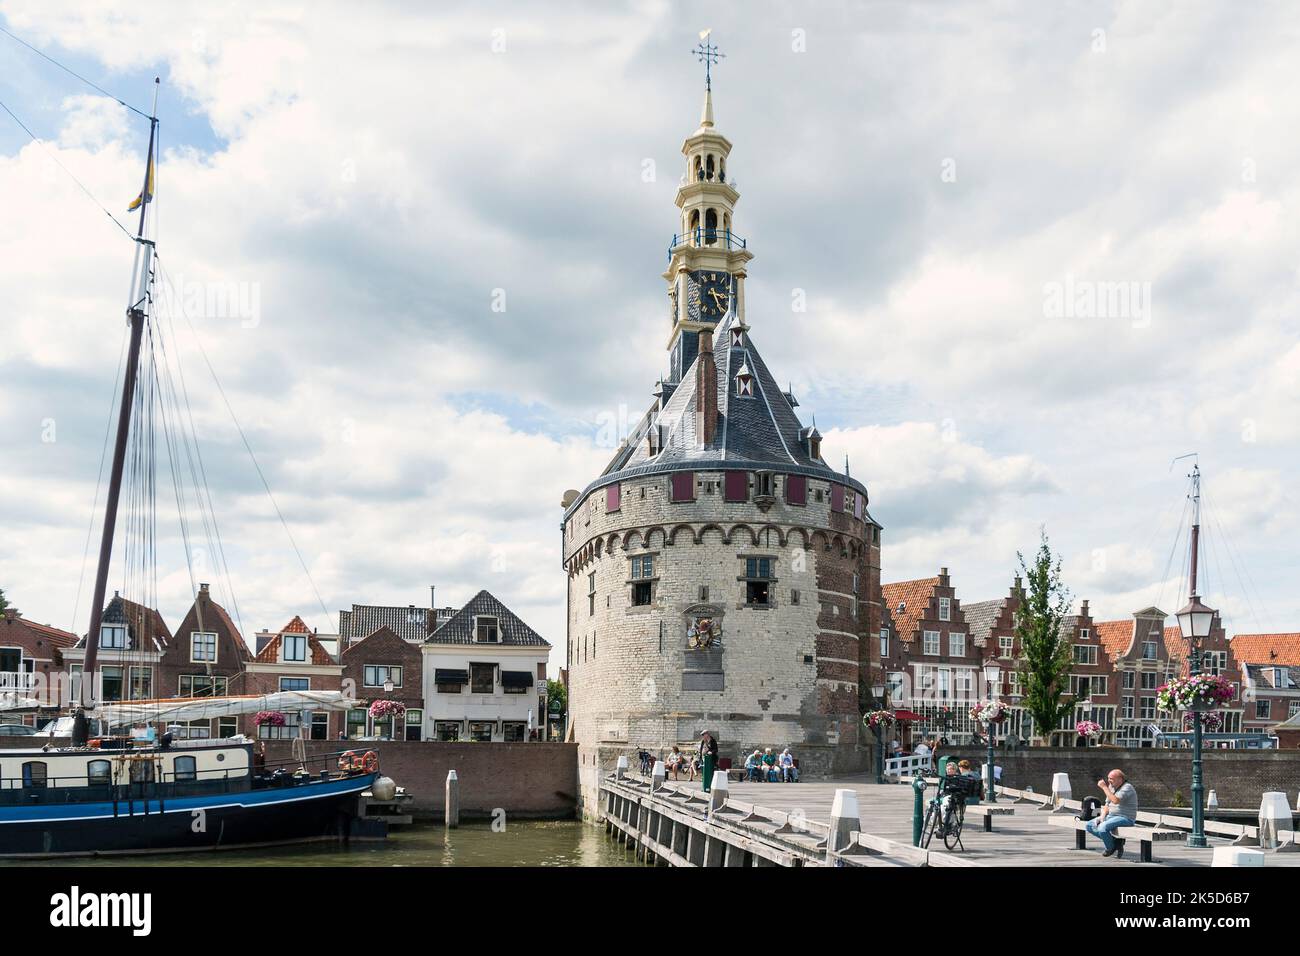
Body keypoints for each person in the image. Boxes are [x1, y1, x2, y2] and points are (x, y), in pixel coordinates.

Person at [1086, 769, 1138, 859]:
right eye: (1108, 778)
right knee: (1089, 825)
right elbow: (1107, 804)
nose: (1109, 780)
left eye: (1111, 778)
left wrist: (1104, 787)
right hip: (1110, 816)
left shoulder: (1127, 787)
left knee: (1102, 828)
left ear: (1120, 779)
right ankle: (1115, 842)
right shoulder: (1111, 787)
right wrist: (1102, 817)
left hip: (1125, 818)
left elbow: (1115, 800)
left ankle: (1110, 848)